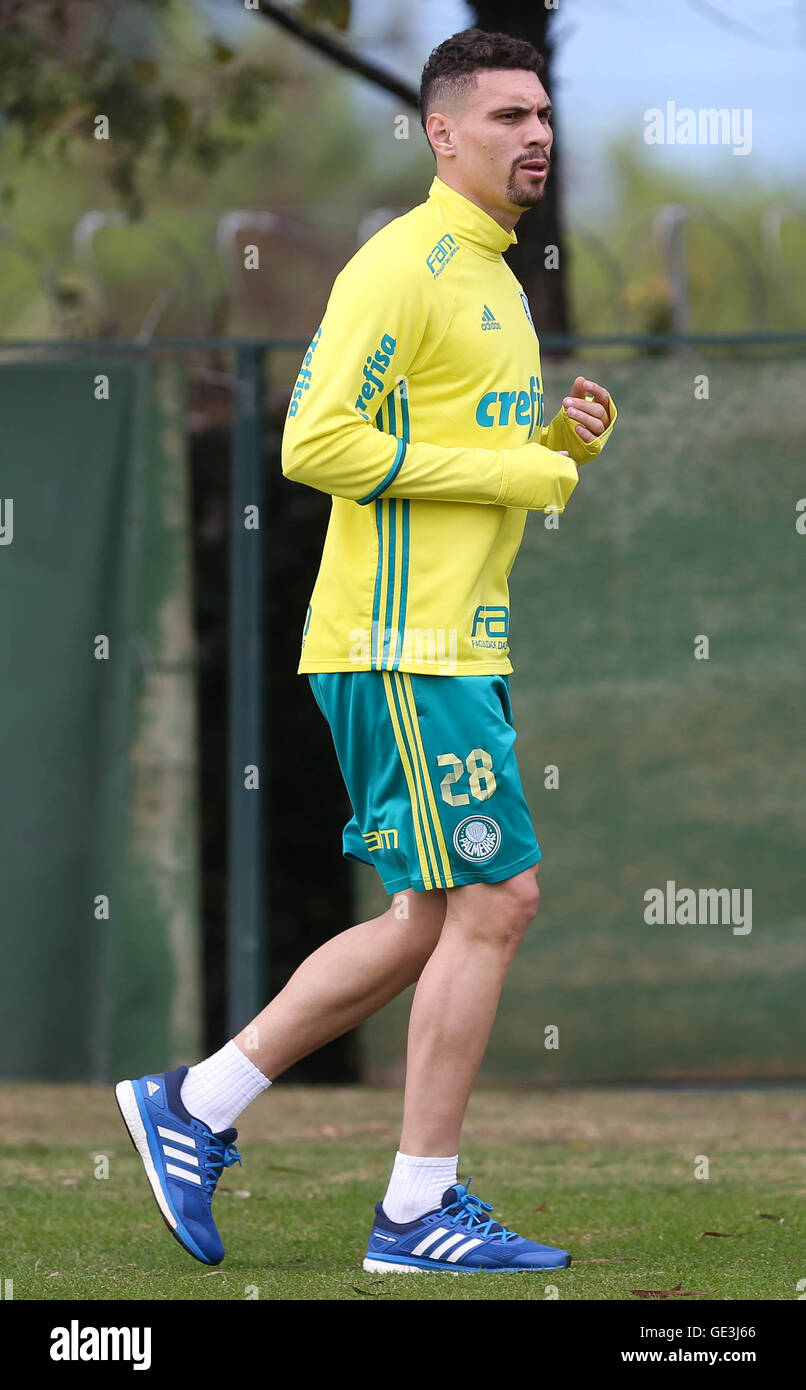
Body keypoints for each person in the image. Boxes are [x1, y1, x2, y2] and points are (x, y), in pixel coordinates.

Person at [116, 27, 617, 1276]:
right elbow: (314, 443)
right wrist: (512, 465)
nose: (534, 135)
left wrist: (560, 449)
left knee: (422, 918)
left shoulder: (497, 276)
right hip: (400, 644)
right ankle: (413, 1211)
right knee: (498, 898)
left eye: (541, 115)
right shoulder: (399, 265)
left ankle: (198, 1104)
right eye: (505, 116)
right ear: (439, 134)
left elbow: (479, 466)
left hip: (452, 643)